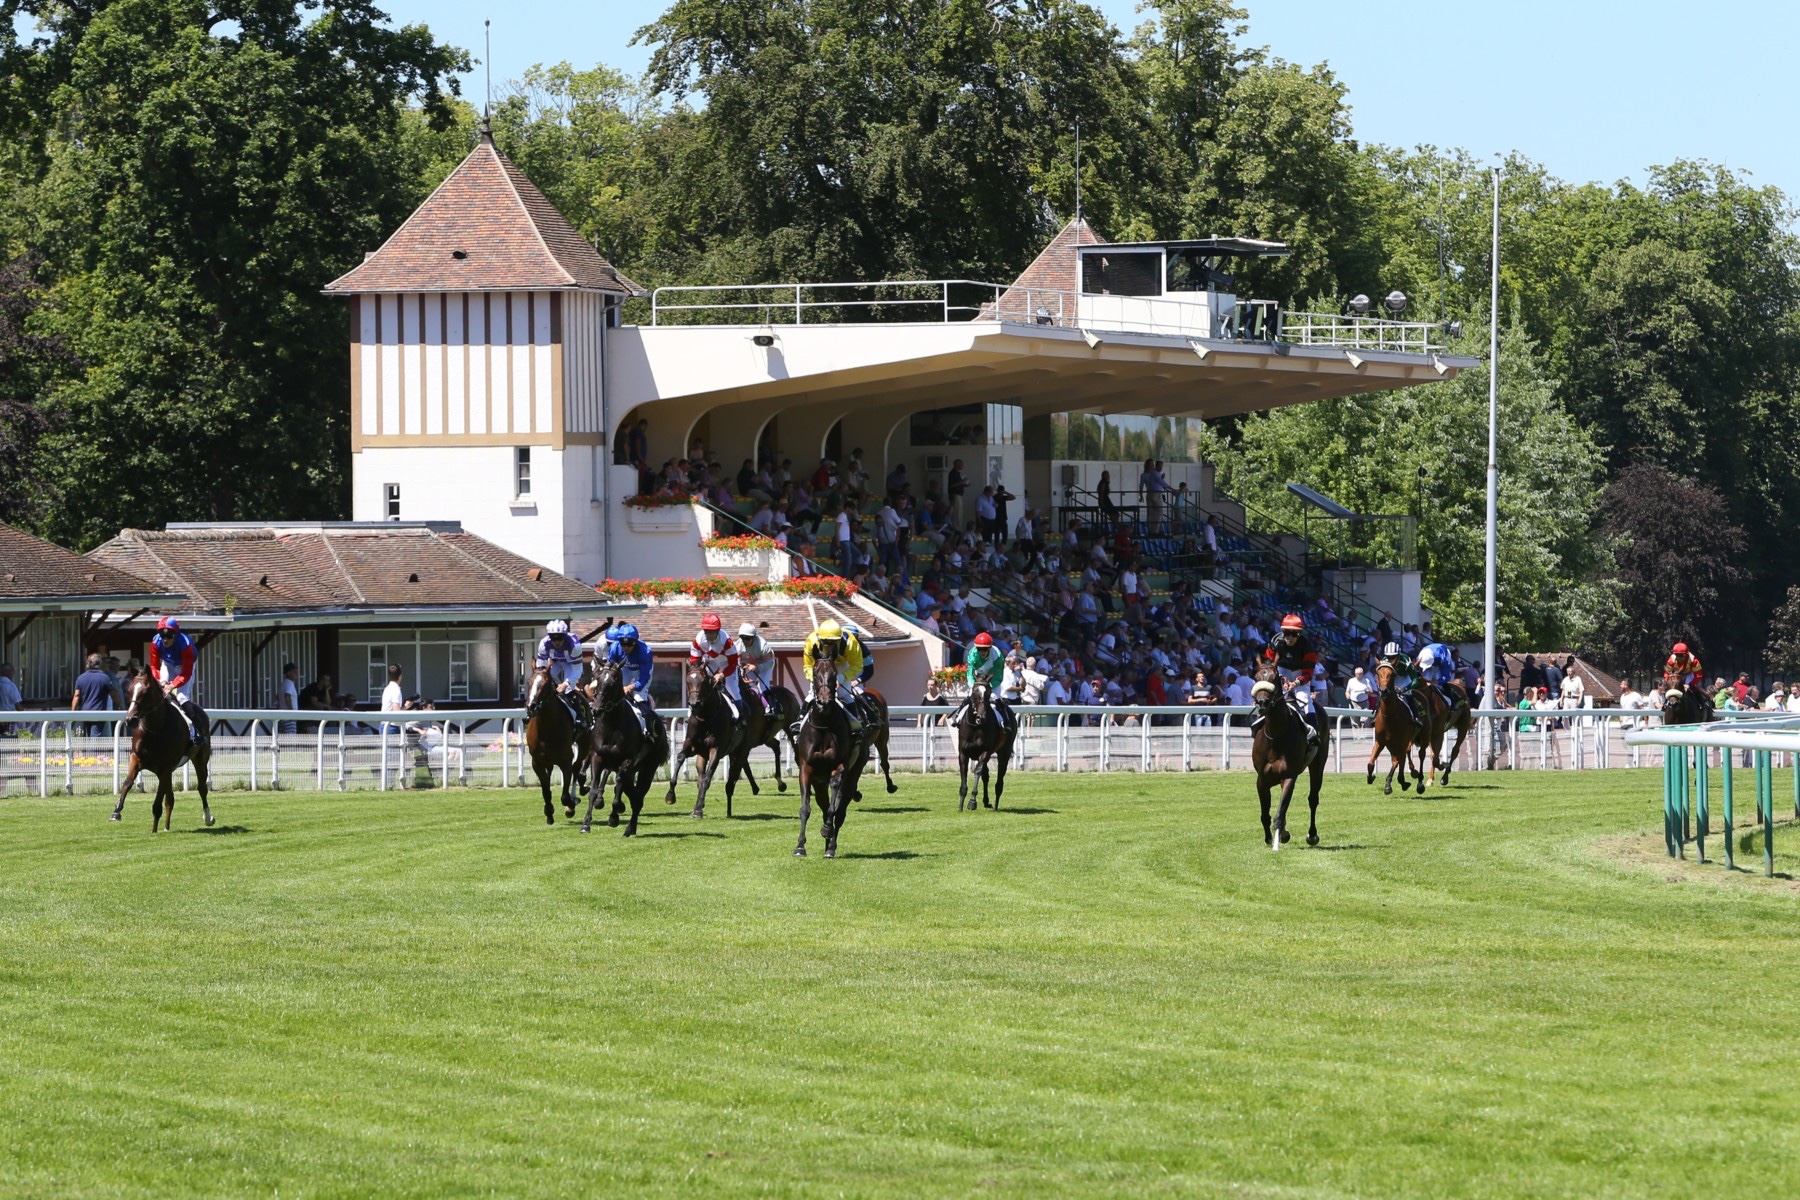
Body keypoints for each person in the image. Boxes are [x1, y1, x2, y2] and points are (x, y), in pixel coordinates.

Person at [799, 620, 865, 734]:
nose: (828, 645)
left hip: (841, 665)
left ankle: (856, 726)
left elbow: (858, 665)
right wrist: (815, 680)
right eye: (825, 641)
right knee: (811, 694)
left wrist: (841, 677)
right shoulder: (811, 641)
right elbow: (808, 665)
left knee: (845, 694)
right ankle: (799, 722)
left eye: (833, 642)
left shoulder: (850, 643)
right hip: (820, 666)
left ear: (839, 639)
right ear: (819, 638)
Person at [148, 617, 203, 744]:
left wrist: (172, 685)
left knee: (182, 697)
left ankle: (199, 731)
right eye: (162, 635)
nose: (165, 640)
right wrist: (161, 681)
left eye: (169, 636)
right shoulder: (156, 642)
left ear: (176, 635)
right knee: (160, 693)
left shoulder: (185, 644)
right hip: (167, 663)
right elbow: (153, 667)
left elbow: (186, 673)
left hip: (184, 667)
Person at [535, 619, 591, 733]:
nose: (557, 641)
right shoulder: (543, 644)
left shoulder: (574, 646)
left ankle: (579, 716)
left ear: (565, 636)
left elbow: (577, 669)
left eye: (560, 637)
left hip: (570, 664)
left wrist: (566, 684)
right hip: (555, 662)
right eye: (554, 638)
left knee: (569, 688)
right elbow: (541, 667)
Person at [949, 630, 1012, 729]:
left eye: (985, 649)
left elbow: (998, 677)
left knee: (995, 699)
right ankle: (957, 717)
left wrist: (987, 686)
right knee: (969, 697)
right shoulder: (972, 654)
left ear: (990, 648)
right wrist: (974, 685)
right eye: (979, 649)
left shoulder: (998, 656)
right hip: (978, 679)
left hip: (992, 679)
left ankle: (1005, 722)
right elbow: (970, 673)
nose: (982, 651)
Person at [603, 623, 657, 733]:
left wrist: (631, 687)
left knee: (638, 697)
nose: (626, 647)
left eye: (630, 644)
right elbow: (610, 668)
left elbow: (643, 678)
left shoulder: (645, 652)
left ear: (635, 642)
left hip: (641, 672)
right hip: (625, 668)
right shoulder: (614, 648)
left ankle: (650, 730)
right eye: (623, 644)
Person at [689, 613, 742, 720]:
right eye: (706, 632)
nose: (708, 635)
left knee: (732, 689)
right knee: (701, 686)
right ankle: (693, 715)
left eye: (711, 632)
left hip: (726, 664)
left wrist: (722, 674)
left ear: (717, 631)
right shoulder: (698, 640)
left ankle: (741, 718)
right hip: (710, 662)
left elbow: (733, 663)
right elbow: (695, 661)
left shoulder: (727, 641)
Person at [71, 653, 123, 736]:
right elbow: (113, 694)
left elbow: (76, 696)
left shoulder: (81, 678)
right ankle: (92, 749)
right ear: (100, 664)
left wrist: (72, 712)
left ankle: (90, 749)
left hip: (85, 713)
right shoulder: (104, 678)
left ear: (88, 663)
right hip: (99, 714)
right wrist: (119, 705)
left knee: (88, 735)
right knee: (95, 737)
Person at [737, 622, 777, 714]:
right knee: (749, 685)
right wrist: (742, 666)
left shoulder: (763, 646)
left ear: (754, 637)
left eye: (748, 638)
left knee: (762, 685)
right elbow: (738, 660)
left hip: (766, 664)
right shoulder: (738, 645)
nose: (745, 641)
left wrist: (756, 666)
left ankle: (770, 707)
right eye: (743, 638)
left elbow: (770, 663)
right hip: (752, 664)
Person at [1417, 641, 1458, 709]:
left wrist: (1435, 682)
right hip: (1430, 653)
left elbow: (1446, 677)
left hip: (1442, 654)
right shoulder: (1420, 657)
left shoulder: (1443, 658)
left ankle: (1451, 702)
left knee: (1437, 678)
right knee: (1426, 677)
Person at [276, 662, 300, 735]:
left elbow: (277, 697)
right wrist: (291, 712)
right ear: (288, 673)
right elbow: (287, 696)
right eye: (294, 672)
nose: (297, 674)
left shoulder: (283, 684)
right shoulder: (289, 683)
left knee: (282, 740)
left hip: (281, 717)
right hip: (289, 718)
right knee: (290, 741)